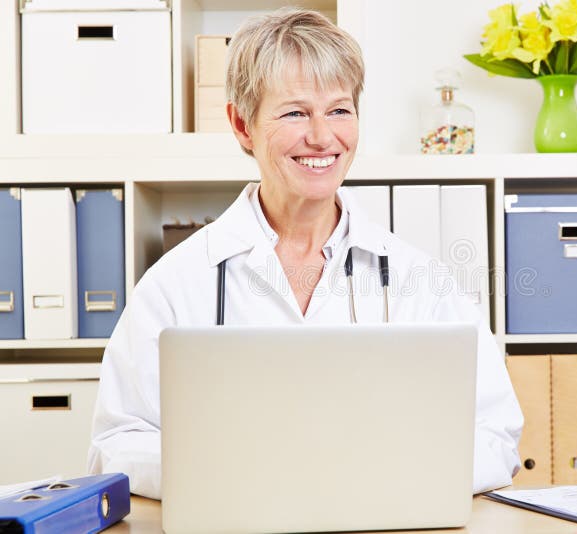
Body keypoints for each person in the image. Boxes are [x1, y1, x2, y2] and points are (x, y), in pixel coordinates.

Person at [88, 7, 523, 500]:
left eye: (339, 110)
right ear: (241, 125)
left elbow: (495, 432)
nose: (322, 136)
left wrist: (378, 476)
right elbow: (118, 444)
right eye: (295, 112)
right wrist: (246, 476)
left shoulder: (420, 279)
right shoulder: (176, 284)